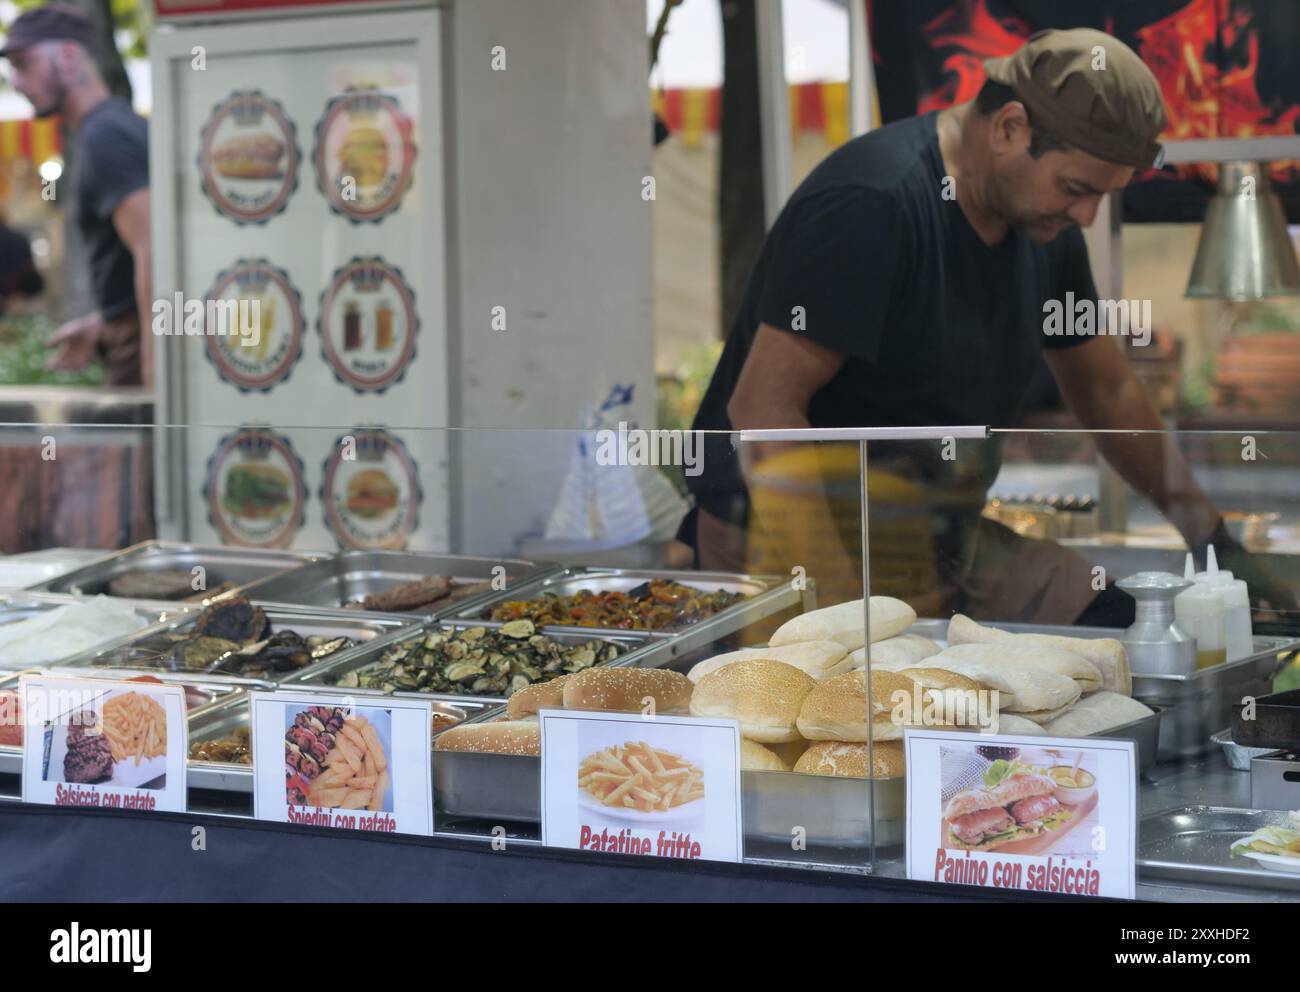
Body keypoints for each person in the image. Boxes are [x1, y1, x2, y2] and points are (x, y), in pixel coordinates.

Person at [682, 28, 1285, 626]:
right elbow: (763, 406)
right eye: (1076, 189)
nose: (1086, 215)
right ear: (1009, 128)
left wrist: (1214, 542)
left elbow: (1109, 392)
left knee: (1117, 627)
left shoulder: (1046, 228)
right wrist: (847, 613)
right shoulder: (872, 204)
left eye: (1102, 197)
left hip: (935, 539)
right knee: (858, 717)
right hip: (785, 539)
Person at [1, 4, 151, 386]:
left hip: (140, 360)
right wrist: (106, 324)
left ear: (69, 57)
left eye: (24, 63)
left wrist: (154, 383)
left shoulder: (105, 136)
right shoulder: (102, 130)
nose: (15, 81)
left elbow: (155, 255)